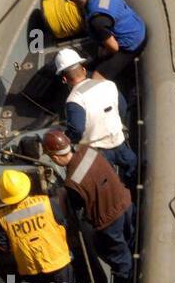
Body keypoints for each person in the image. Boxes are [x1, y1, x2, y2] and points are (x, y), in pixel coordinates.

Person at [41, 129, 134, 283]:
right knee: (130, 241)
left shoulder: (72, 182)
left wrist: (62, 197)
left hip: (109, 221)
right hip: (125, 203)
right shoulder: (88, 150)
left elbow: (77, 212)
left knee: (118, 259)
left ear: (55, 157)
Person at [54, 48, 137, 188]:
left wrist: (67, 138)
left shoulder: (74, 100)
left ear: (64, 79)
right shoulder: (109, 85)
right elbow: (122, 109)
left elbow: (77, 130)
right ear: (84, 69)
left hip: (98, 153)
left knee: (104, 184)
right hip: (119, 141)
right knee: (133, 167)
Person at [0, 168, 73, 283]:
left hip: (32, 269)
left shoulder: (2, 218)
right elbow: (63, 223)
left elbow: (3, 247)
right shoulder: (47, 202)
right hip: (58, 262)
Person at [56, 0, 146, 82]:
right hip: (137, 26)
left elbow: (114, 48)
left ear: (72, 1)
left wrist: (104, 52)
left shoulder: (97, 20)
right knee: (99, 55)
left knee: (97, 76)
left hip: (132, 44)